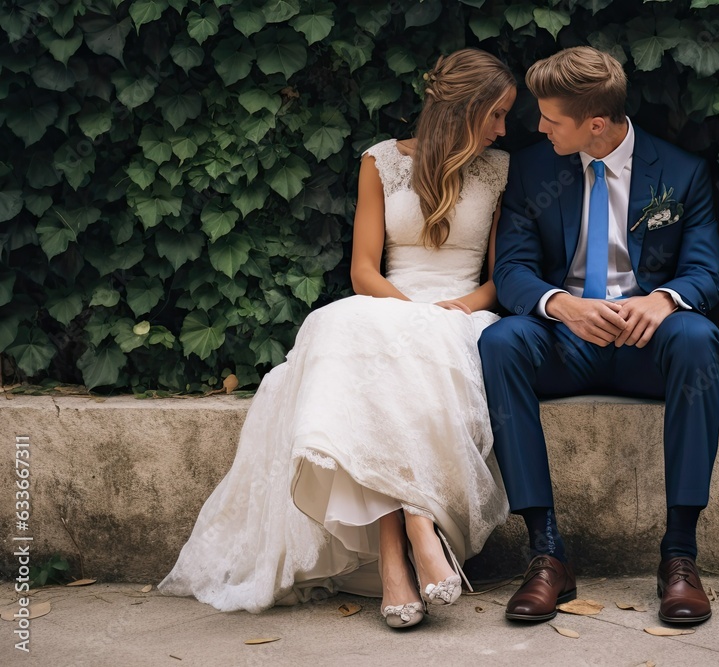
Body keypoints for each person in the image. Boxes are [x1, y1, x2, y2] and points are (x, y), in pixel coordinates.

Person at [159, 48, 517, 630]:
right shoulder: (380, 162)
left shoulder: (499, 169)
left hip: (460, 314)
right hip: (385, 305)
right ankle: (409, 536)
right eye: (496, 114)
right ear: (462, 107)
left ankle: (407, 536)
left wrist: (455, 309)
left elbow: (502, 278)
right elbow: (364, 270)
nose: (502, 129)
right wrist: (409, 312)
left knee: (388, 356)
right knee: (338, 326)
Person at [478, 46, 719, 625]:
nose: (539, 128)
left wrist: (661, 301)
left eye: (550, 119)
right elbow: (511, 270)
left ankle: (680, 556)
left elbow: (706, 271)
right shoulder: (534, 169)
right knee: (500, 342)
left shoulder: (681, 172)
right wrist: (561, 305)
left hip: (648, 345)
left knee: (697, 338)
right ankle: (546, 554)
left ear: (595, 124)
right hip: (564, 342)